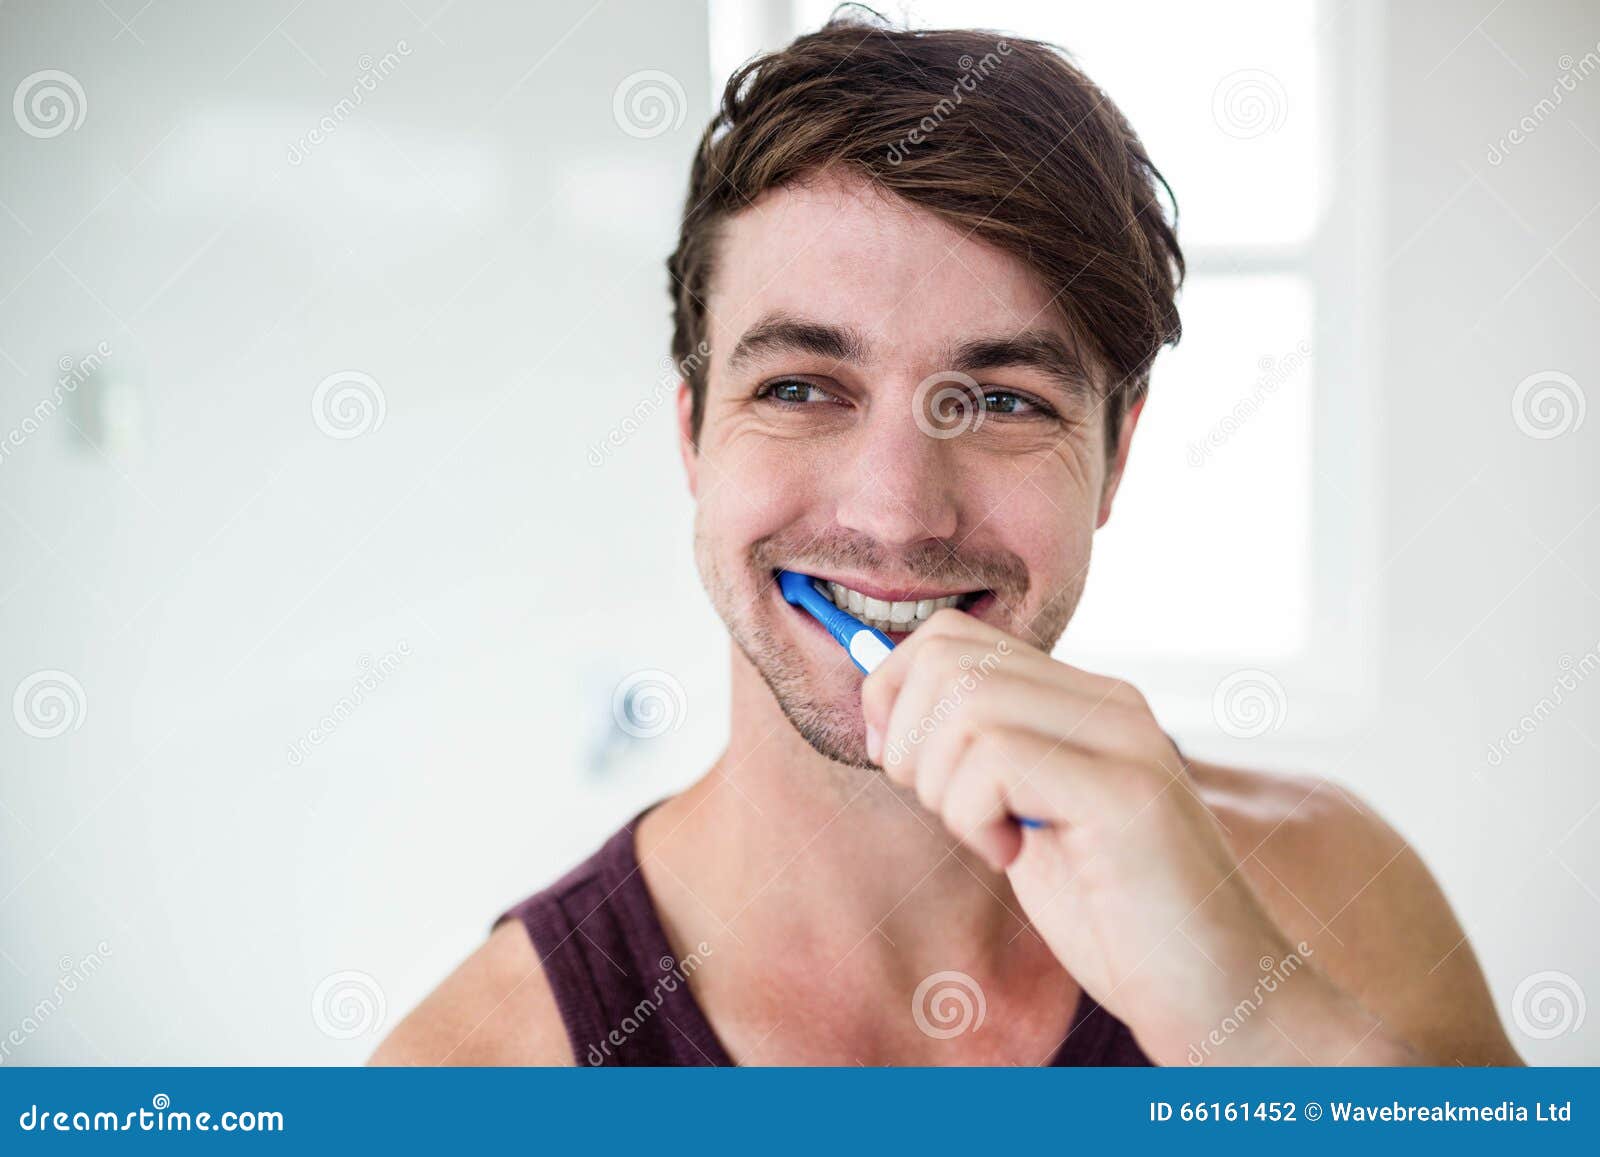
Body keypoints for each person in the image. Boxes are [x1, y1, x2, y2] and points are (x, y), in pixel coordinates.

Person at [372, 15, 1518, 1067]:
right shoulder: (474, 1068)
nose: (893, 514)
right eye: (802, 387)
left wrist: (1261, 1025)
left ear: (1115, 458)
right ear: (694, 438)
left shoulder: (1338, 898)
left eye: (1005, 400)